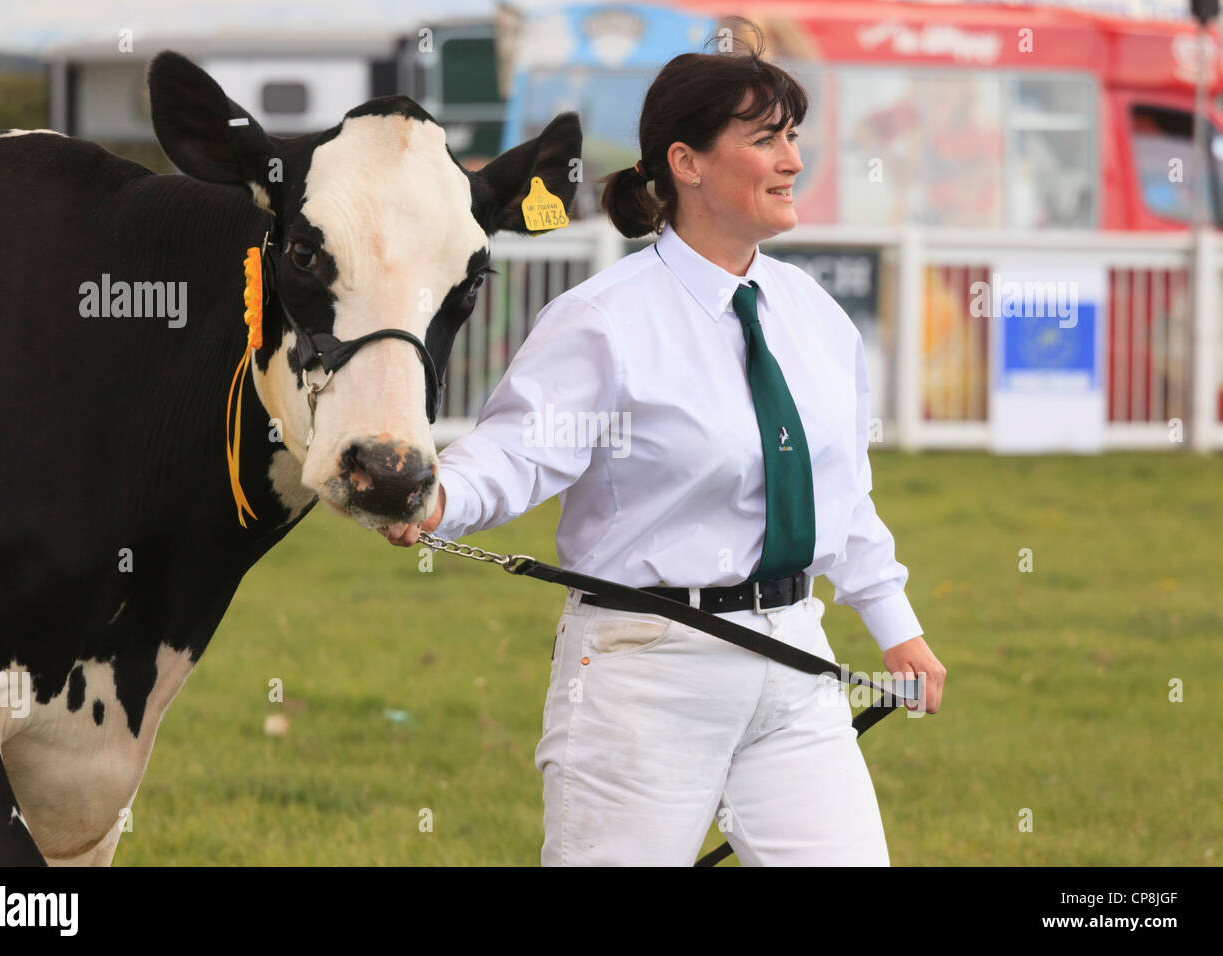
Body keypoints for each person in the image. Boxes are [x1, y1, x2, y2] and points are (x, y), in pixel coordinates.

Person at [379, 27, 945, 866]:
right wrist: (440, 499)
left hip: (796, 660)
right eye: (766, 141)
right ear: (687, 162)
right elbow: (521, 449)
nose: (793, 161)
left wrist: (895, 625)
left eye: (793, 137)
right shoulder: (603, 319)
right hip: (644, 675)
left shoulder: (813, 314)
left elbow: (840, 491)